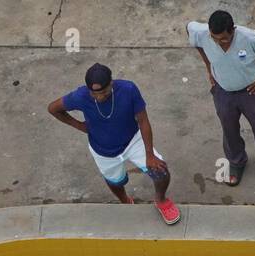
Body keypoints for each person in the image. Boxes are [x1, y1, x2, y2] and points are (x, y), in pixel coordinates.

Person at [48, 62, 181, 225]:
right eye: (94, 94)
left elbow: (143, 121)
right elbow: (53, 108)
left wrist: (149, 155)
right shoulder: (80, 96)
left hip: (132, 141)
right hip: (102, 150)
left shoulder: (128, 90)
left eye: (103, 91)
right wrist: (81, 126)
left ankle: (161, 200)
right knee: (115, 181)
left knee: (161, 171)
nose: (99, 97)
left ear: (111, 83)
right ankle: (125, 200)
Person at [187, 9, 255, 186]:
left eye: (224, 39)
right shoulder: (202, 33)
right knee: (229, 127)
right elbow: (190, 31)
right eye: (215, 39)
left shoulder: (250, 38)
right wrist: (208, 66)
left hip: (252, 91)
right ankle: (236, 161)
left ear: (233, 29)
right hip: (223, 91)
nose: (219, 43)